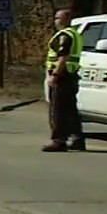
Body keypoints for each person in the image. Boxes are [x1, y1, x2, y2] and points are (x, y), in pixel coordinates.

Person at [43, 8, 85, 152]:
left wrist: (55, 75)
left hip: (62, 76)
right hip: (71, 75)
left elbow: (63, 57)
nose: (55, 21)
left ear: (66, 19)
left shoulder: (65, 36)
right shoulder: (75, 34)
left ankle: (58, 140)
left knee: (58, 110)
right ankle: (77, 138)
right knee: (70, 109)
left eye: (58, 18)